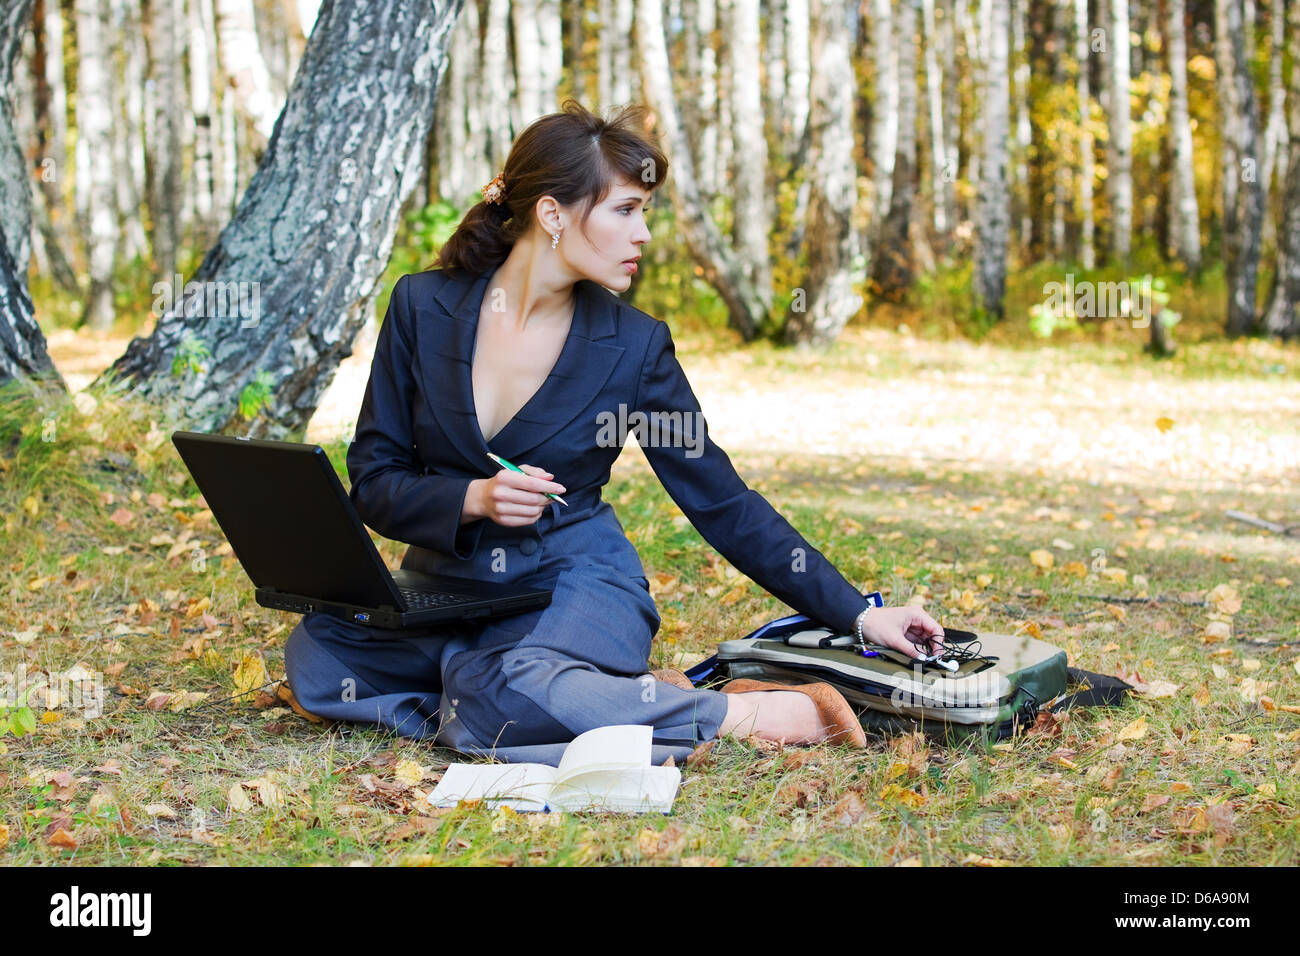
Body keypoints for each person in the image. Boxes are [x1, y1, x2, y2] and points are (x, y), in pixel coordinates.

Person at [282, 99, 944, 766]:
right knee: (318, 653)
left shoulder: (635, 346)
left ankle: (752, 711)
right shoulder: (421, 307)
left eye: (644, 212)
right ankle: (577, 700)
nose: (644, 235)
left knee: (501, 698)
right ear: (552, 215)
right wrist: (473, 500)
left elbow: (722, 501)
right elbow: (374, 479)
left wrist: (859, 613)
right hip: (450, 589)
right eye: (625, 210)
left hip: (577, 584)